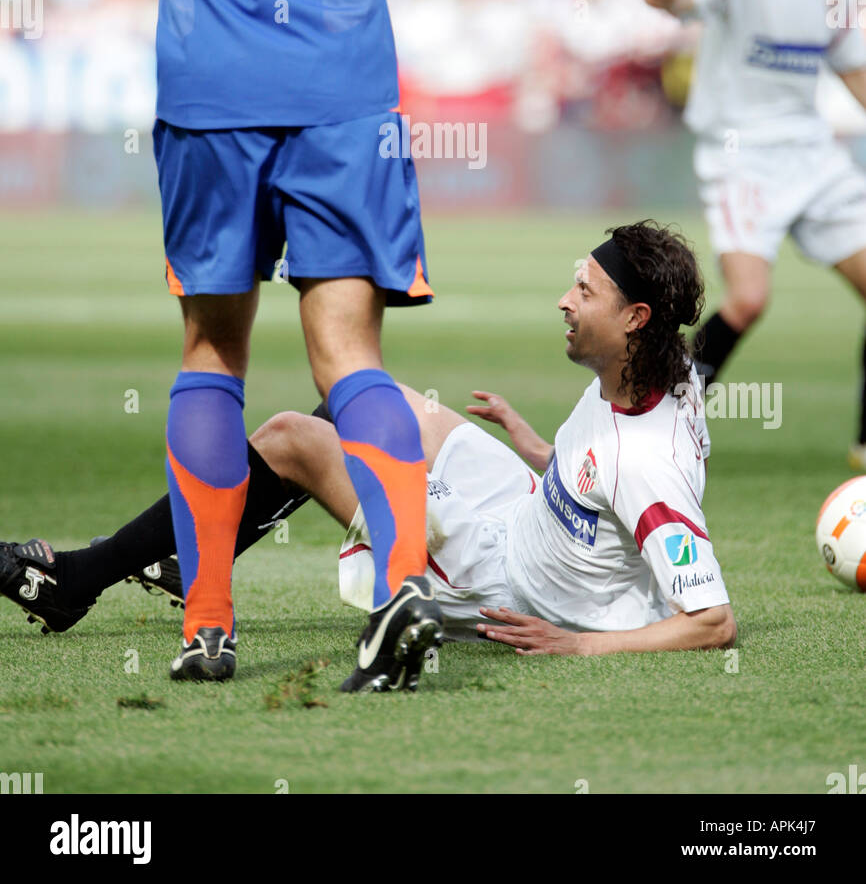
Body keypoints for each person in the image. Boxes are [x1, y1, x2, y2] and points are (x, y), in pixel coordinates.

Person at [0, 0, 481, 688]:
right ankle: (402, 575)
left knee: (211, 349)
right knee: (348, 353)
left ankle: (204, 624)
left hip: (207, 93)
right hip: (336, 88)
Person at [0, 222, 736, 671]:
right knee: (367, 399)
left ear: (635, 317)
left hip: (500, 577)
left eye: (584, 289)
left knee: (290, 436)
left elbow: (711, 621)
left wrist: (579, 647)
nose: (564, 300)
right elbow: (600, 479)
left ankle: (84, 577)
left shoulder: (647, 465)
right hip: (525, 506)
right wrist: (543, 452)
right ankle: (187, 547)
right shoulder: (652, 373)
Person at [644, 0, 866, 468]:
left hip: (813, 153)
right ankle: (659, 424)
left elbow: (855, 73)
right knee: (748, 301)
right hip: (743, 156)